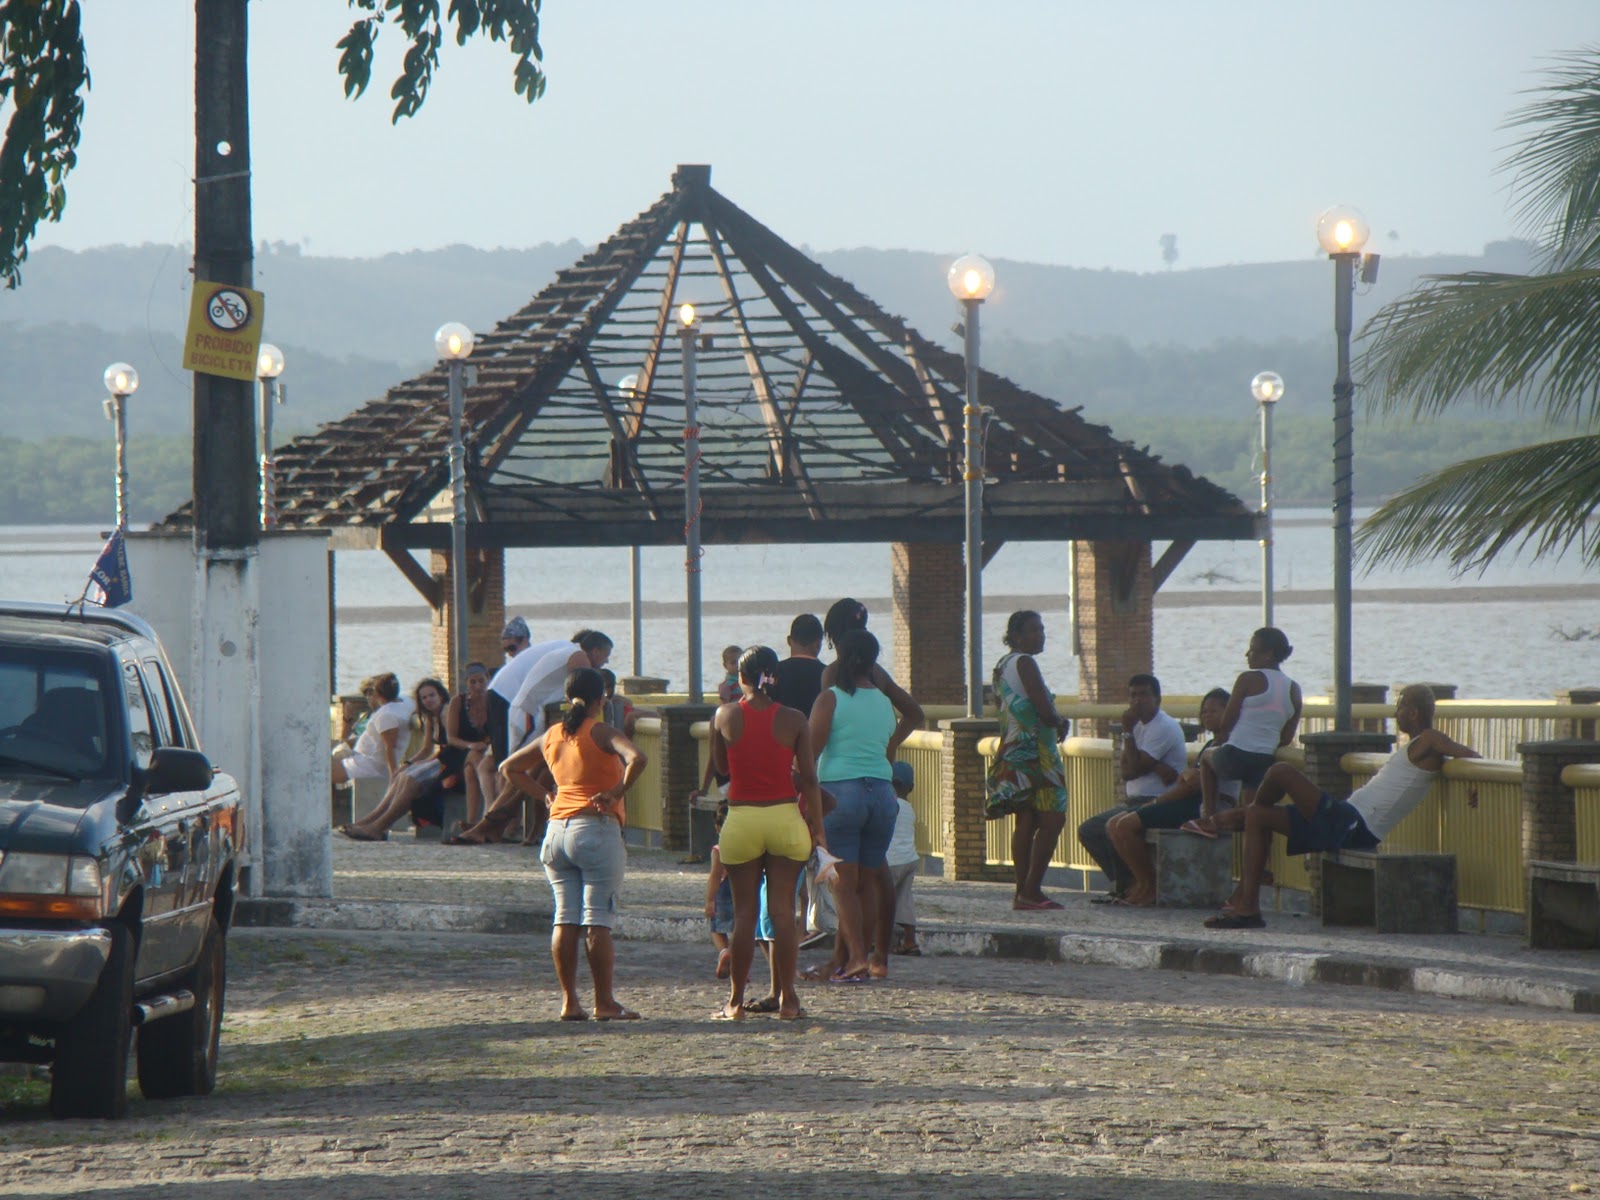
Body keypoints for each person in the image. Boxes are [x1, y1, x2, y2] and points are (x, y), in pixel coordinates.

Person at [1201, 684, 1479, 930]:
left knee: (1281, 771)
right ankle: (1247, 909)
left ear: (1414, 713)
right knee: (1258, 816)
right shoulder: (1417, 747)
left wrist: (1473, 785)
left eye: (1400, 707)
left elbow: (1469, 756)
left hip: (1355, 824)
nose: (1396, 715)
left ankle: (1237, 819)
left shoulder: (1428, 739)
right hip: (1345, 818)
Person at [501, 667, 647, 1020]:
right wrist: (616, 792)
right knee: (597, 919)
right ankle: (605, 1002)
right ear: (602, 698)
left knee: (564, 918)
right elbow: (637, 757)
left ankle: (570, 1001)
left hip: (556, 833)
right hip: (595, 830)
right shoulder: (601, 731)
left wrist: (546, 794)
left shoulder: (552, 735)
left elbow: (510, 768)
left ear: (568, 698)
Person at [709, 646, 825, 1020]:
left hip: (742, 820)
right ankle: (788, 1000)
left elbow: (720, 767)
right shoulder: (794, 719)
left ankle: (735, 1003)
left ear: (740, 678)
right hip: (785, 819)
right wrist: (818, 829)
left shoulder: (724, 715)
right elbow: (809, 779)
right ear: (775, 676)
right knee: (783, 912)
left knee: (744, 915)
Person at [815, 598, 924, 975]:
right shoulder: (878, 680)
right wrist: (888, 747)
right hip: (880, 786)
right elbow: (914, 712)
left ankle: (851, 957)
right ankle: (877, 956)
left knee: (846, 881)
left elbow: (824, 729)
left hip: (842, 786)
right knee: (878, 875)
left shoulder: (833, 678)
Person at [450, 630, 616, 845]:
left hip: (527, 712)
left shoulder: (565, 650)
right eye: (606, 655)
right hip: (526, 715)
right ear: (595, 650)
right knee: (517, 771)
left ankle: (494, 827)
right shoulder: (579, 658)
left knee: (535, 771)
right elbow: (584, 690)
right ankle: (485, 827)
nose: (606, 661)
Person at [1105, 687, 1237, 906]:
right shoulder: (1210, 745)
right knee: (1113, 824)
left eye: (1214, 711)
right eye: (1204, 711)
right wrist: (1187, 775)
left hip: (1206, 807)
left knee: (1124, 825)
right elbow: (1187, 777)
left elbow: (1194, 784)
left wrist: (1155, 803)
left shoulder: (1229, 745)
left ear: (1230, 712)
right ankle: (1142, 883)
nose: (1207, 715)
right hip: (1188, 801)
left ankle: (1150, 885)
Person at [986, 610, 1071, 911]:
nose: (1041, 634)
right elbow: (1043, 708)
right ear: (1017, 635)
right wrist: (1060, 721)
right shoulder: (1025, 662)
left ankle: (1022, 892)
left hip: (1012, 748)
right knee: (1053, 818)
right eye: (1034, 630)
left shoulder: (1002, 665)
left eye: (1042, 629)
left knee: (1026, 819)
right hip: (1037, 753)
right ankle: (1032, 890)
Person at [1076, 673, 1187, 903]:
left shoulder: (1163, 726)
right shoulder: (1138, 727)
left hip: (1157, 799)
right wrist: (1155, 764)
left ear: (1157, 698)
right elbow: (1126, 770)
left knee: (1107, 826)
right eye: (1133, 695)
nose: (1138, 700)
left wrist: (1127, 732)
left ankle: (1137, 884)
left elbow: (1130, 770)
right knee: (1089, 830)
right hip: (1134, 800)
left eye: (1144, 694)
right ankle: (1127, 884)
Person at [1194, 626, 1302, 823]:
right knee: (1251, 814)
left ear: (1268, 654)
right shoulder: (1294, 689)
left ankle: (1207, 817)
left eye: (1252, 649)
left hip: (1236, 754)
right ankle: (1224, 826)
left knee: (1207, 758)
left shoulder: (1247, 679)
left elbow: (1227, 721)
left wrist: (1222, 739)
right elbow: (1286, 737)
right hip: (1264, 760)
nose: (1247, 654)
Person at [339, 677, 452, 841]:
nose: (428, 700)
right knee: (400, 774)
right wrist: (408, 763)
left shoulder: (446, 713)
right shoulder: (429, 718)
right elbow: (426, 749)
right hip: (437, 760)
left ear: (441, 695)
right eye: (424, 697)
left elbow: (450, 747)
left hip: (449, 761)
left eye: (432, 695)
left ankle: (378, 827)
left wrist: (420, 764)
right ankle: (368, 822)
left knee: (410, 779)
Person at [331, 672, 414, 786]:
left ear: (378, 694)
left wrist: (393, 775)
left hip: (368, 765)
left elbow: (389, 748)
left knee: (322, 771)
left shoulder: (386, 715)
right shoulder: (407, 701)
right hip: (359, 758)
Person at [445, 662, 497, 826]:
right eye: (473, 682)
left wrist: (486, 743)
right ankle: (488, 814)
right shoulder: (458, 702)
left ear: (488, 680)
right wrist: (470, 745)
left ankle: (472, 821)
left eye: (481, 681)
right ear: (466, 683)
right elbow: (451, 738)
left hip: (486, 750)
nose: (478, 686)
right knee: (474, 758)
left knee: (470, 771)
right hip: (460, 750)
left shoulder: (493, 701)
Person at [886, 760, 922, 955]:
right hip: (909, 860)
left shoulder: (888, 804)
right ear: (912, 787)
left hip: (890, 861)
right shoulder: (909, 808)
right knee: (904, 900)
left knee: (879, 901)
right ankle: (910, 941)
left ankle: (882, 942)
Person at [703, 802, 735, 978]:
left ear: (718, 827)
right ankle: (739, 964)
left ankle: (724, 952)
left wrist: (709, 900)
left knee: (717, 929)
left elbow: (715, 876)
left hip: (723, 892)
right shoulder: (745, 847)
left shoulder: (718, 850)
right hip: (741, 891)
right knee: (740, 930)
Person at [773, 613, 826, 715]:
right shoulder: (828, 674)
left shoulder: (772, 672)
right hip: (814, 729)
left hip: (780, 729)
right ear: (818, 644)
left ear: (789, 641)